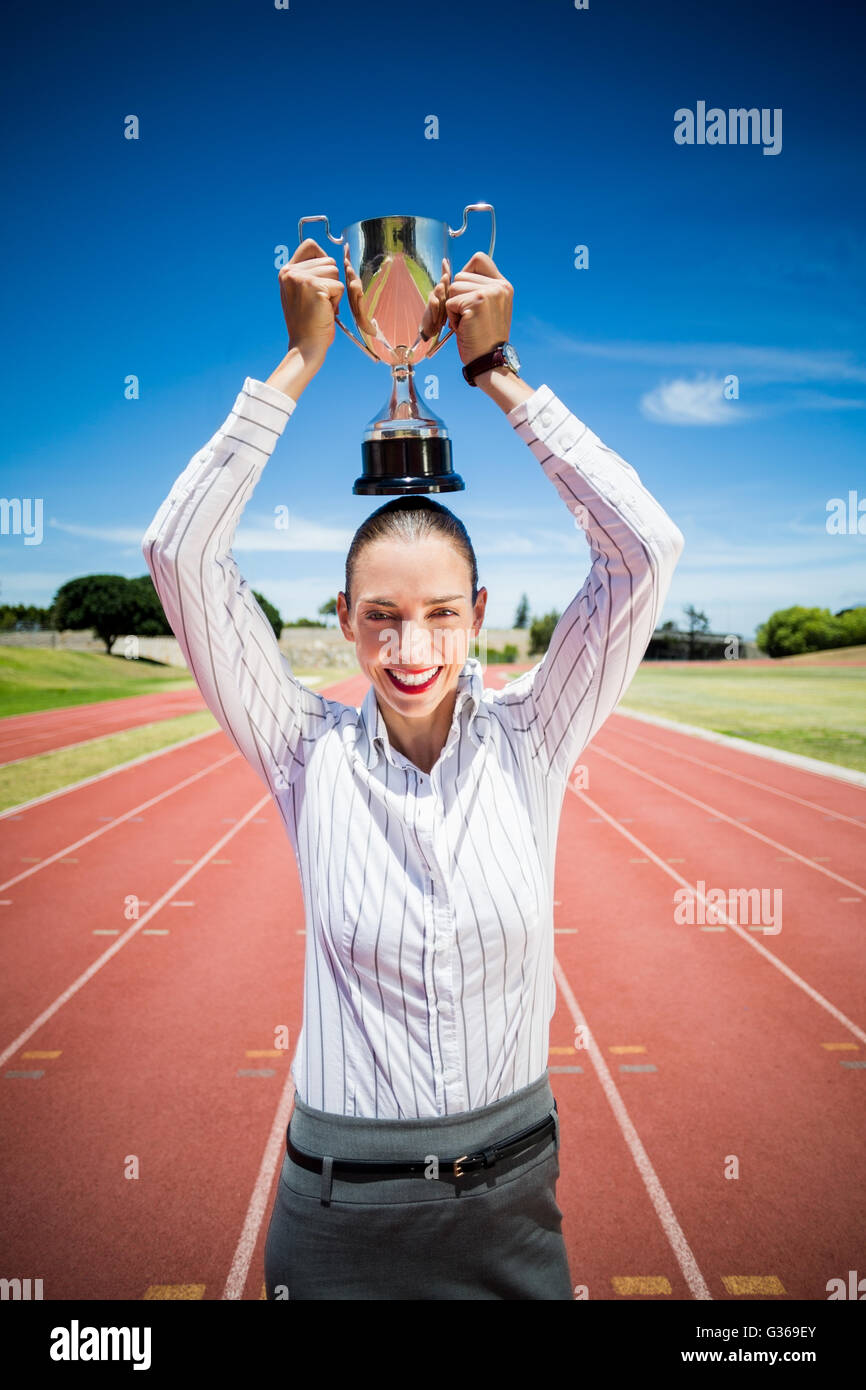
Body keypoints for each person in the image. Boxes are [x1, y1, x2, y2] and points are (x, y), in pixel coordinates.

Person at [141, 239, 685, 1300]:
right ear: (343, 623)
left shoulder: (533, 740)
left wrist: (501, 379)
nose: (412, 650)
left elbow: (642, 551)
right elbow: (179, 556)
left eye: (441, 615)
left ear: (477, 616)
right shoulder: (304, 753)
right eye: (381, 618)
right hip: (341, 1212)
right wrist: (298, 363)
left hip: (512, 1208)